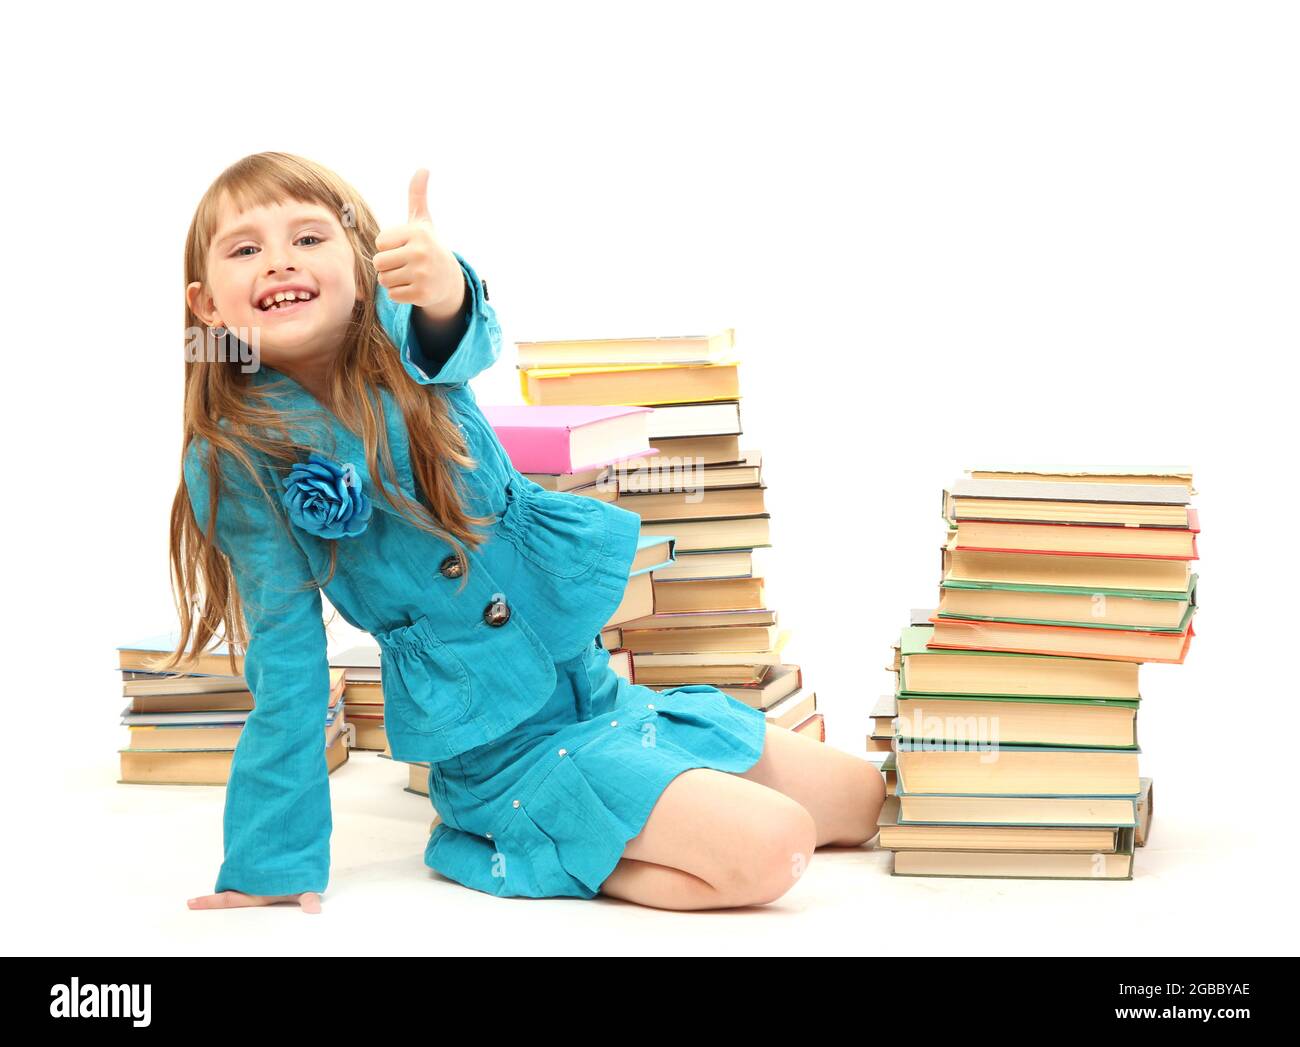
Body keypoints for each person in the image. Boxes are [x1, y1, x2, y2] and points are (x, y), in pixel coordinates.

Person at [163, 151, 884, 914]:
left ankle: (651, 785)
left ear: (368, 267)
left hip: (602, 699)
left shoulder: (407, 341)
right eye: (246, 249)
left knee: (863, 800)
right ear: (208, 307)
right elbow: (287, 658)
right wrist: (269, 863)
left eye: (309, 238)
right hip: (504, 757)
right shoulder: (235, 456)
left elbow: (457, 328)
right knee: (777, 848)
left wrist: (443, 287)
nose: (280, 260)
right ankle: (507, 839)